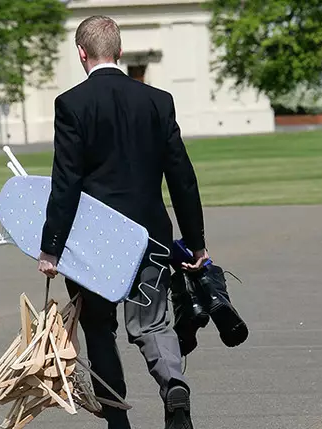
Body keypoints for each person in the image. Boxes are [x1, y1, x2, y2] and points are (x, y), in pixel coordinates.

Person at [37, 15, 208, 429]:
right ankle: (173, 384)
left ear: (82, 53)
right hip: (149, 235)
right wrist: (196, 240)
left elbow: (66, 185)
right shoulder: (158, 101)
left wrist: (51, 246)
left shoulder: (71, 105)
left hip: (93, 242)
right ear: (119, 50)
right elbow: (181, 176)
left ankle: (118, 420)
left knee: (99, 329)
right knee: (153, 322)